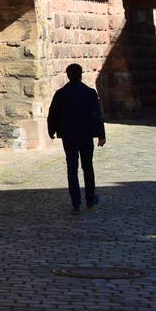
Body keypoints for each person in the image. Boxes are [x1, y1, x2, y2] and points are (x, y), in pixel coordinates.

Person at [46, 63, 107, 214]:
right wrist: (101, 134)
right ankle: (90, 199)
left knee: (72, 169)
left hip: (69, 136)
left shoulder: (61, 93)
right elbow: (96, 115)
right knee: (88, 167)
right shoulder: (90, 93)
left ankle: (76, 204)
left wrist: (51, 131)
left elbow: (53, 114)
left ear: (67, 75)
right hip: (86, 135)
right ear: (81, 74)